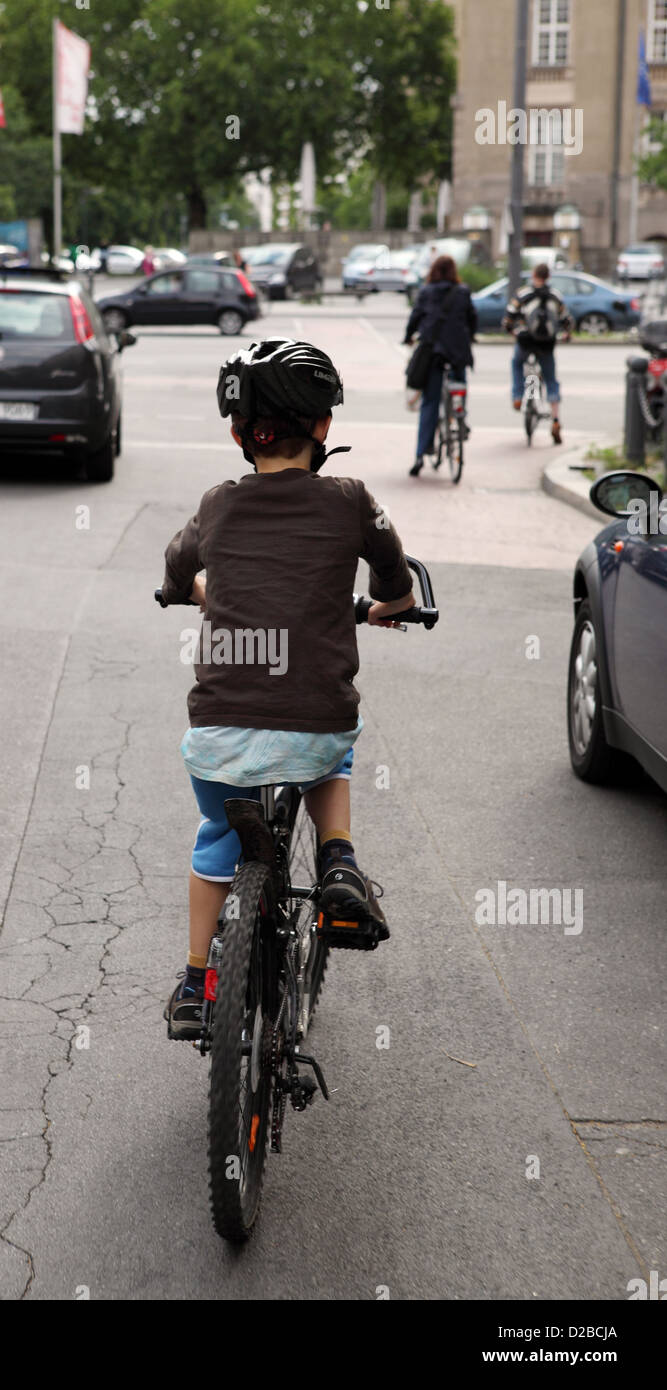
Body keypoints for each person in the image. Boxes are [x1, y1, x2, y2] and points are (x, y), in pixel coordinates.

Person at [160, 338, 415, 1038]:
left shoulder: (216, 504)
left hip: (217, 732)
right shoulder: (349, 500)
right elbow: (393, 582)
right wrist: (385, 609)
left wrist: (196, 591)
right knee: (330, 752)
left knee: (216, 836)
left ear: (239, 433)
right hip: (313, 723)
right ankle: (337, 858)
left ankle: (194, 982)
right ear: (323, 428)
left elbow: (178, 572)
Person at [403, 254, 477, 476]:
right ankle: (460, 413)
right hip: (457, 354)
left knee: (430, 403)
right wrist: (470, 336)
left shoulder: (427, 292)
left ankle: (420, 455)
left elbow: (415, 317)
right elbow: (472, 318)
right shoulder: (462, 292)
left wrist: (408, 336)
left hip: (433, 353)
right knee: (459, 387)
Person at [502, 262, 572, 444]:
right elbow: (566, 320)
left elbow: (510, 314)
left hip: (526, 341)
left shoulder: (524, 293)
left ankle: (518, 396)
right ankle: (555, 420)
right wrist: (566, 334)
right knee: (551, 380)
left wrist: (510, 329)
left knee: (517, 363)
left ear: (534, 275)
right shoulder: (555, 296)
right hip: (546, 343)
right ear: (548, 277)